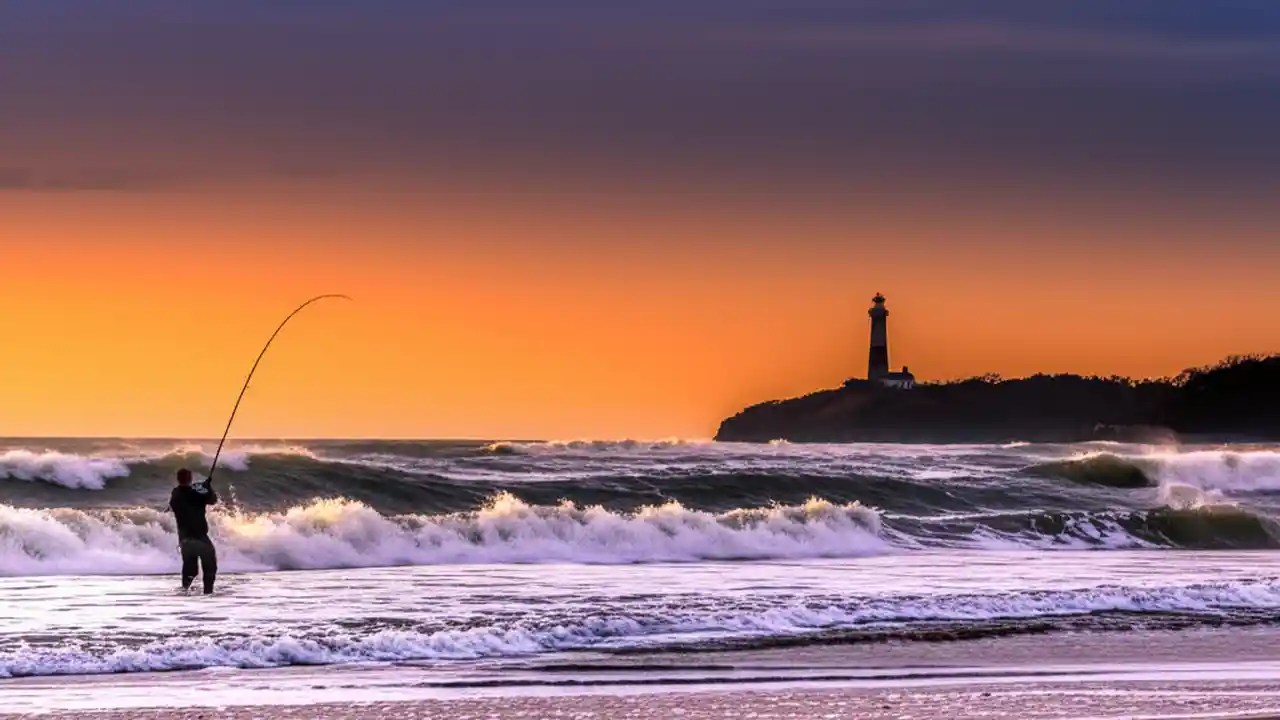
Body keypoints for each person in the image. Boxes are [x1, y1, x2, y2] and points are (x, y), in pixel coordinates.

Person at [169, 468, 219, 594]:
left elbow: (192, 494)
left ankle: (184, 592)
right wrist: (208, 488)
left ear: (178, 479)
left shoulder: (175, 495)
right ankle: (208, 593)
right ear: (190, 478)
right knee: (210, 567)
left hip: (184, 540)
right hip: (199, 538)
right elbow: (212, 500)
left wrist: (204, 488)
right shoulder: (196, 494)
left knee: (190, 570)